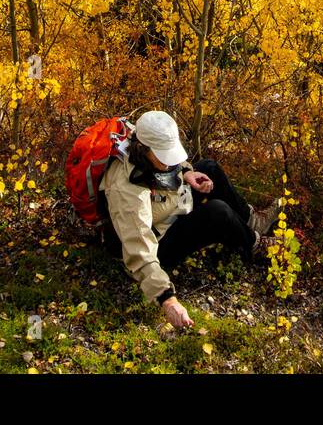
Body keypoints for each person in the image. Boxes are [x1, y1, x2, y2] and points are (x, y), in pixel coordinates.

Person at [98, 110, 280, 329]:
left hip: (163, 208)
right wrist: (167, 299)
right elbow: (139, 249)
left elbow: (169, 166)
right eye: (163, 155)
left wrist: (186, 173)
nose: (168, 161)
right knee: (217, 213)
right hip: (154, 244)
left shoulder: (141, 138)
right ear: (144, 149)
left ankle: (251, 221)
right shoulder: (127, 192)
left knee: (209, 168)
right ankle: (255, 245)